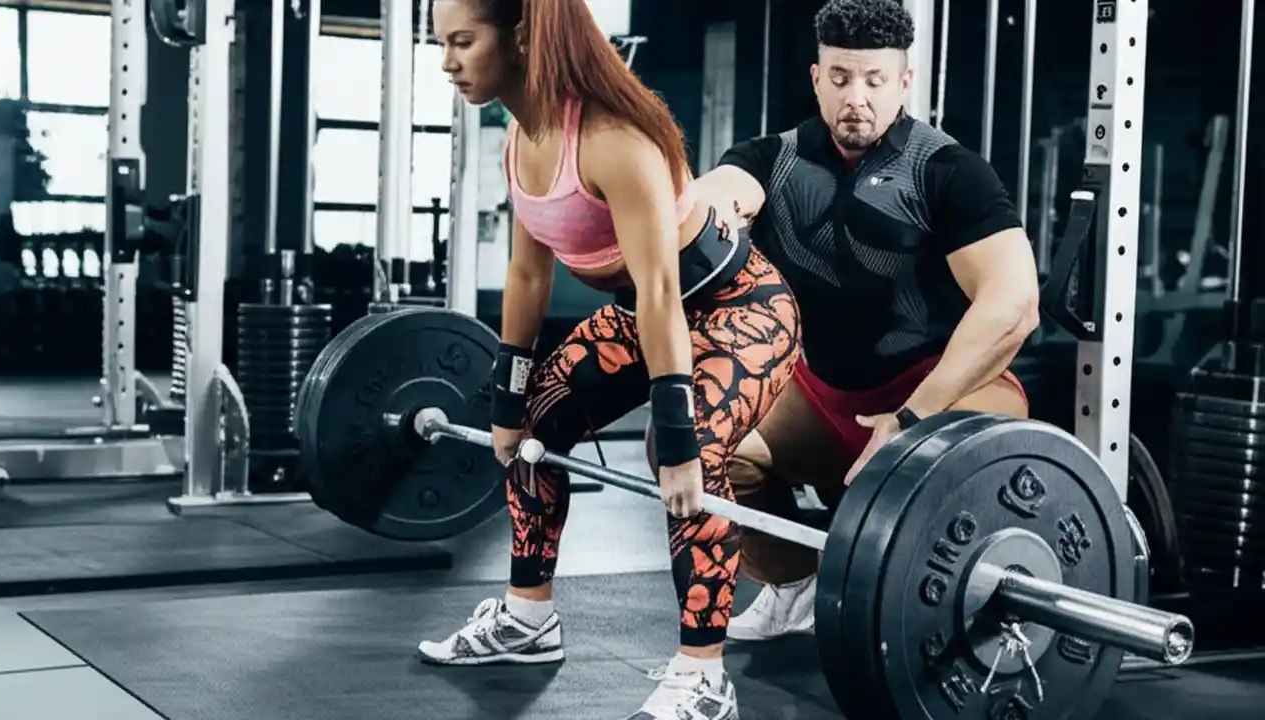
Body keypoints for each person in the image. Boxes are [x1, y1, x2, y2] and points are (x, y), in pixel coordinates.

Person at [419, 1, 802, 717]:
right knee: (537, 431)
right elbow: (529, 275)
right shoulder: (521, 136)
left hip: (740, 308)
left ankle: (704, 676)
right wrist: (508, 402)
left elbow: (662, 287)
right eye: (442, 44)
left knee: (697, 460)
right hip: (644, 313)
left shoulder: (613, 139)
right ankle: (529, 619)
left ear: (521, 36)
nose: (447, 62)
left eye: (462, 42)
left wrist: (682, 443)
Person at [689, 0, 1041, 641]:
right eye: (843, 78)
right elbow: (721, 192)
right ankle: (793, 587)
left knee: (917, 498)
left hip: (943, 396)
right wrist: (700, 212)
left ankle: (925, 608)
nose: (858, 98)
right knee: (700, 433)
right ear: (818, 78)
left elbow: (1014, 304)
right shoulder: (773, 159)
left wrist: (910, 419)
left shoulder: (948, 172)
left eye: (875, 81)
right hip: (823, 400)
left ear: (905, 83)